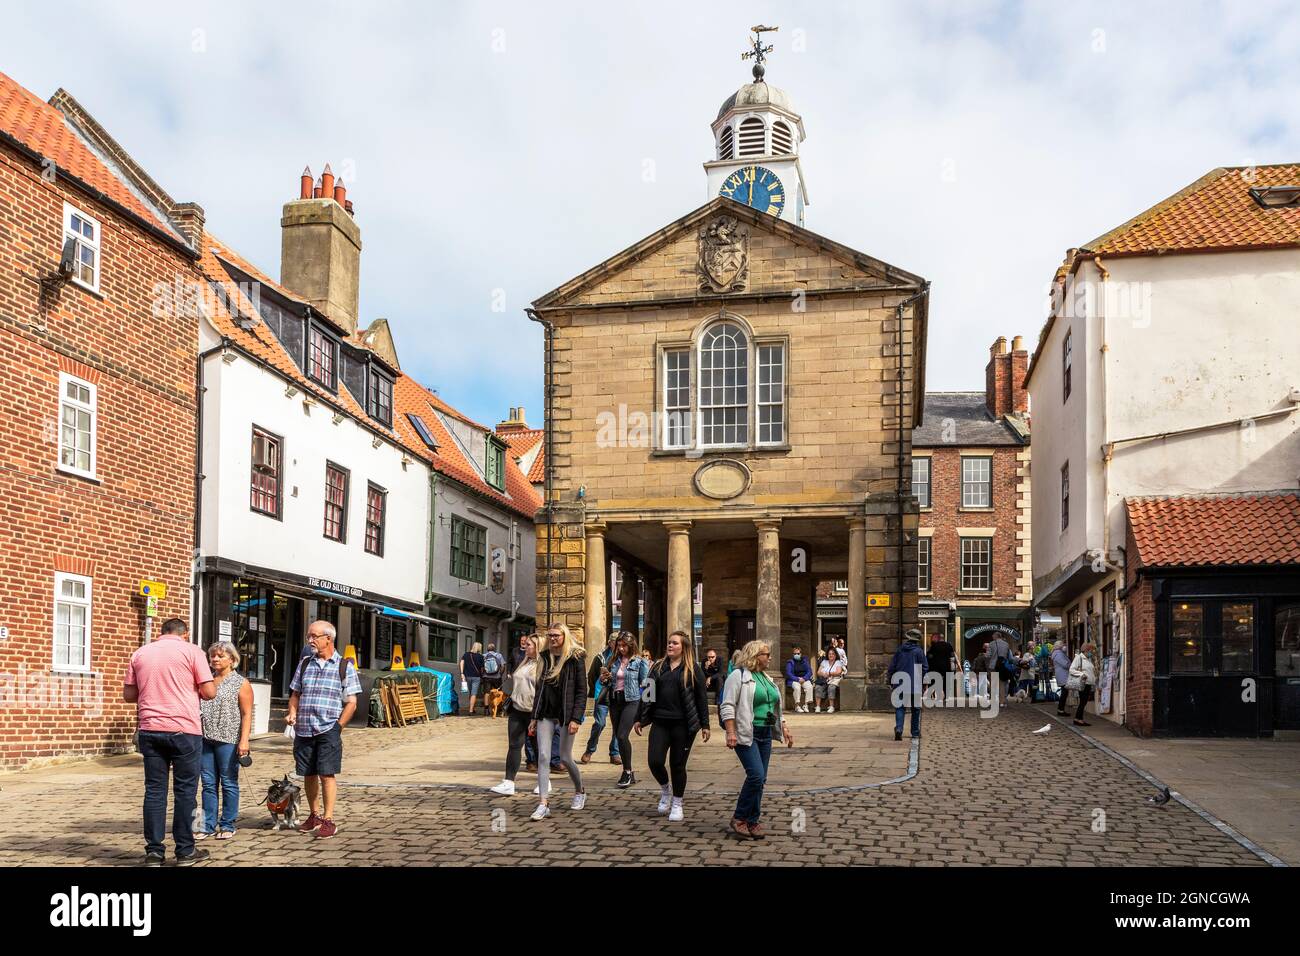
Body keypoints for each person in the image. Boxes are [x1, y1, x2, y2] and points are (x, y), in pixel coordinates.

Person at [123, 617, 215, 866]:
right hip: (184, 729)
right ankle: (185, 850)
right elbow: (208, 692)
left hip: (150, 729)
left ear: (161, 633)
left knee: (154, 791)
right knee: (185, 791)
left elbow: (129, 695)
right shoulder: (192, 652)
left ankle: (154, 851)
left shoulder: (140, 653)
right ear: (185, 634)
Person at [286, 620, 362, 840]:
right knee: (308, 774)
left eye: (314, 636)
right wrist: (292, 712)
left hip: (328, 728)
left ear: (328, 638)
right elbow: (295, 694)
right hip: (304, 729)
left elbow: (352, 702)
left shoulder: (344, 666)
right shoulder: (305, 664)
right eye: (309, 636)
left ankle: (328, 819)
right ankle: (314, 815)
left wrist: (337, 728)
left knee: (326, 774)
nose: (310, 640)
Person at [720, 640, 793, 840]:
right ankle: (739, 817)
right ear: (754, 655)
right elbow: (727, 706)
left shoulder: (766, 678)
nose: (769, 657)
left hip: (765, 733)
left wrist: (783, 727)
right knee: (756, 776)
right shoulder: (738, 676)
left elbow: (773, 707)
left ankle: (752, 820)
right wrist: (730, 732)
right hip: (746, 733)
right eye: (766, 654)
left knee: (761, 781)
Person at [635, 630, 710, 821]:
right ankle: (665, 789)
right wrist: (640, 719)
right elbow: (647, 694)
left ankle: (677, 802)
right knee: (655, 761)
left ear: (683, 647)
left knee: (677, 764)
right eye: (669, 642)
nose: (670, 645)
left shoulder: (693, 669)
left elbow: (701, 699)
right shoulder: (658, 667)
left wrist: (705, 724)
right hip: (660, 722)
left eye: (675, 643)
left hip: (683, 725)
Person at [528, 623, 587, 821]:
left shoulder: (575, 657)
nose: (552, 638)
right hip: (546, 713)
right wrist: (534, 717)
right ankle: (543, 803)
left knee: (565, 757)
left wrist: (576, 718)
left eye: (556, 635)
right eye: (550, 635)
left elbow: (581, 691)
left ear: (564, 636)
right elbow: (539, 691)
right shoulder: (544, 657)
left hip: (566, 714)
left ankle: (580, 790)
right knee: (543, 756)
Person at [198, 641, 252, 841]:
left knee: (229, 782)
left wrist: (244, 741)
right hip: (205, 737)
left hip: (229, 739)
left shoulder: (241, 683)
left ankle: (228, 823)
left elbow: (247, 714)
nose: (215, 659)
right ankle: (207, 825)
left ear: (232, 659)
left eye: (220, 656)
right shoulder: (207, 681)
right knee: (208, 784)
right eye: (213, 656)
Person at [489, 635, 539, 795]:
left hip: (534, 712)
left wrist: (538, 714)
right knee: (514, 746)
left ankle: (544, 781)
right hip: (517, 709)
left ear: (538, 647)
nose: (525, 647)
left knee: (539, 749)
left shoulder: (543, 664)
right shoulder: (524, 662)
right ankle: (509, 782)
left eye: (529, 645)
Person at [605, 632, 651, 788]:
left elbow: (647, 686)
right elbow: (606, 681)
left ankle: (627, 771)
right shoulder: (613, 660)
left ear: (631, 646)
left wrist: (646, 712)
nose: (621, 648)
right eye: (619, 645)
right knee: (618, 737)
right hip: (615, 701)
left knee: (622, 735)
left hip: (632, 701)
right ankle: (628, 771)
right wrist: (604, 679)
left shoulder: (640, 662)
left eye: (624, 645)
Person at [581, 636, 621, 765]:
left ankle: (615, 753)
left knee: (618, 726)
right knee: (599, 723)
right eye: (616, 642)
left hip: (618, 695)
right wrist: (597, 690)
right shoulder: (600, 657)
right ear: (610, 643)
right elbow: (592, 676)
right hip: (603, 695)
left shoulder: (625, 658)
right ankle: (589, 750)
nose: (619, 645)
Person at [888, 628, 928, 740]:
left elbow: (892, 667)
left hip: (899, 682)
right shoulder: (919, 651)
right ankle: (915, 732)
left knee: (900, 707)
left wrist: (890, 679)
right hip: (915, 684)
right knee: (916, 709)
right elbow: (925, 667)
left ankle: (899, 729)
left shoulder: (900, 650)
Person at [1069, 641, 1098, 726]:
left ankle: (1078, 718)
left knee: (1083, 702)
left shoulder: (1087, 659)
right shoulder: (1079, 658)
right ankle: (1078, 719)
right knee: (1083, 701)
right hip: (1083, 683)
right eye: (1091, 650)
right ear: (1086, 650)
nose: (1091, 652)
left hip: (1088, 683)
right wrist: (1082, 674)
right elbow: (1072, 669)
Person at [814, 647, 846, 713]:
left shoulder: (838, 662)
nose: (831, 655)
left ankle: (831, 706)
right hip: (824, 680)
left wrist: (829, 673)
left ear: (835, 655)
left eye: (832, 654)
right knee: (818, 687)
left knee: (831, 688)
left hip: (834, 680)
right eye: (829, 654)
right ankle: (818, 706)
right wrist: (823, 674)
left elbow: (838, 672)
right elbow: (818, 672)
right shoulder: (824, 662)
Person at [784, 646, 815, 713]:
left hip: (804, 679)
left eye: (798, 653)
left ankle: (806, 705)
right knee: (797, 687)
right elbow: (788, 673)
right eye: (795, 654)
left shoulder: (805, 661)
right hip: (794, 679)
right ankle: (797, 706)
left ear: (800, 654)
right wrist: (797, 679)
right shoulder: (790, 662)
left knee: (809, 686)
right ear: (793, 654)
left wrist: (804, 678)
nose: (796, 655)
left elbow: (810, 671)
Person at [926, 634, 956, 702]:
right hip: (946, 666)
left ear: (938, 638)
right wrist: (953, 667)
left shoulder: (934, 646)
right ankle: (946, 696)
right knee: (946, 682)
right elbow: (952, 656)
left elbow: (929, 656)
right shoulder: (949, 645)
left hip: (936, 666)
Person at [459, 641, 485, 716]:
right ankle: (470, 710)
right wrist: (482, 675)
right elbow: (482, 668)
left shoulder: (466, 654)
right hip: (476, 677)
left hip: (467, 676)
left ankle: (472, 708)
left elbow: (461, 663)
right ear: (479, 648)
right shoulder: (480, 656)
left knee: (471, 693)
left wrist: (462, 673)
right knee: (474, 693)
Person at [986, 634, 1011, 704]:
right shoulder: (1006, 644)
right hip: (1002, 666)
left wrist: (986, 656)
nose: (992, 638)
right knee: (1002, 684)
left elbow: (988, 655)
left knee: (993, 684)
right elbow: (1009, 656)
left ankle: (993, 701)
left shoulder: (991, 644)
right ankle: (1002, 702)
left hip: (993, 666)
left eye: (993, 637)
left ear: (995, 637)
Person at [1051, 640, 1072, 716]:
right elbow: (1065, 664)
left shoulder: (1057, 654)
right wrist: (1071, 664)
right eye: (1063, 645)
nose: (1064, 646)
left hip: (1062, 674)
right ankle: (1061, 710)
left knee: (1064, 692)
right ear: (1060, 646)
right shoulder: (1059, 654)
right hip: (1063, 675)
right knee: (1064, 693)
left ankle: (1061, 709)